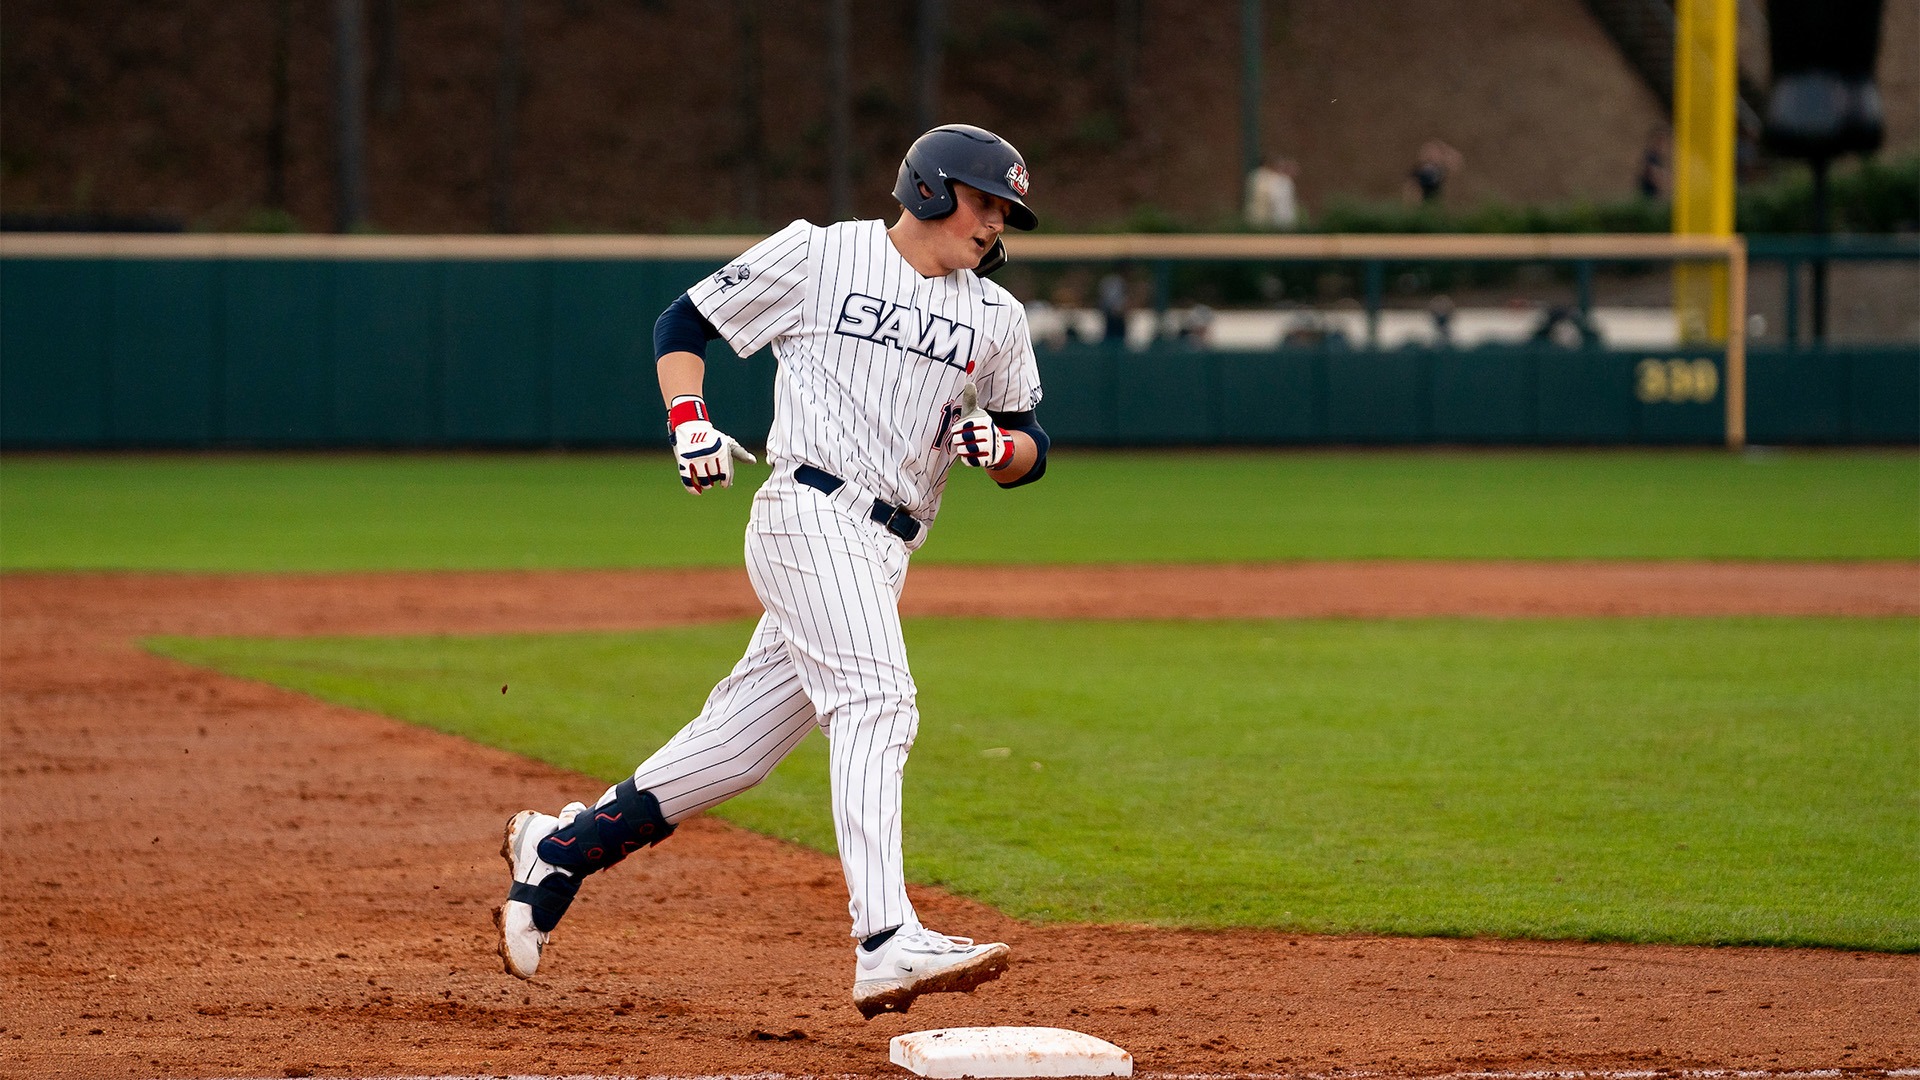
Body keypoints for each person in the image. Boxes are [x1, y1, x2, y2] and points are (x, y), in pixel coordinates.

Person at [494, 124, 1049, 1021]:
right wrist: (688, 419)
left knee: (736, 750)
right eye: (985, 202)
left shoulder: (997, 317)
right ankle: (885, 940)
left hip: (886, 548)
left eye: (1006, 214)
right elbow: (684, 321)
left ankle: (560, 851)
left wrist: (1000, 447)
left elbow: (1031, 444)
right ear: (931, 188)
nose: (995, 225)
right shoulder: (822, 254)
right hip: (809, 513)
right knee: (877, 700)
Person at [1243, 154, 1299, 229]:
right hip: (1266, 217)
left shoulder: (1285, 180)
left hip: (1281, 218)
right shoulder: (1266, 177)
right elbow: (1271, 198)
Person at [1404, 139, 1463, 204]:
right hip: (1423, 187)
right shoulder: (1421, 170)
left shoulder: (1441, 169)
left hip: (1434, 191)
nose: (1432, 155)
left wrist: (1444, 148)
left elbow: (1457, 162)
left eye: (1434, 153)